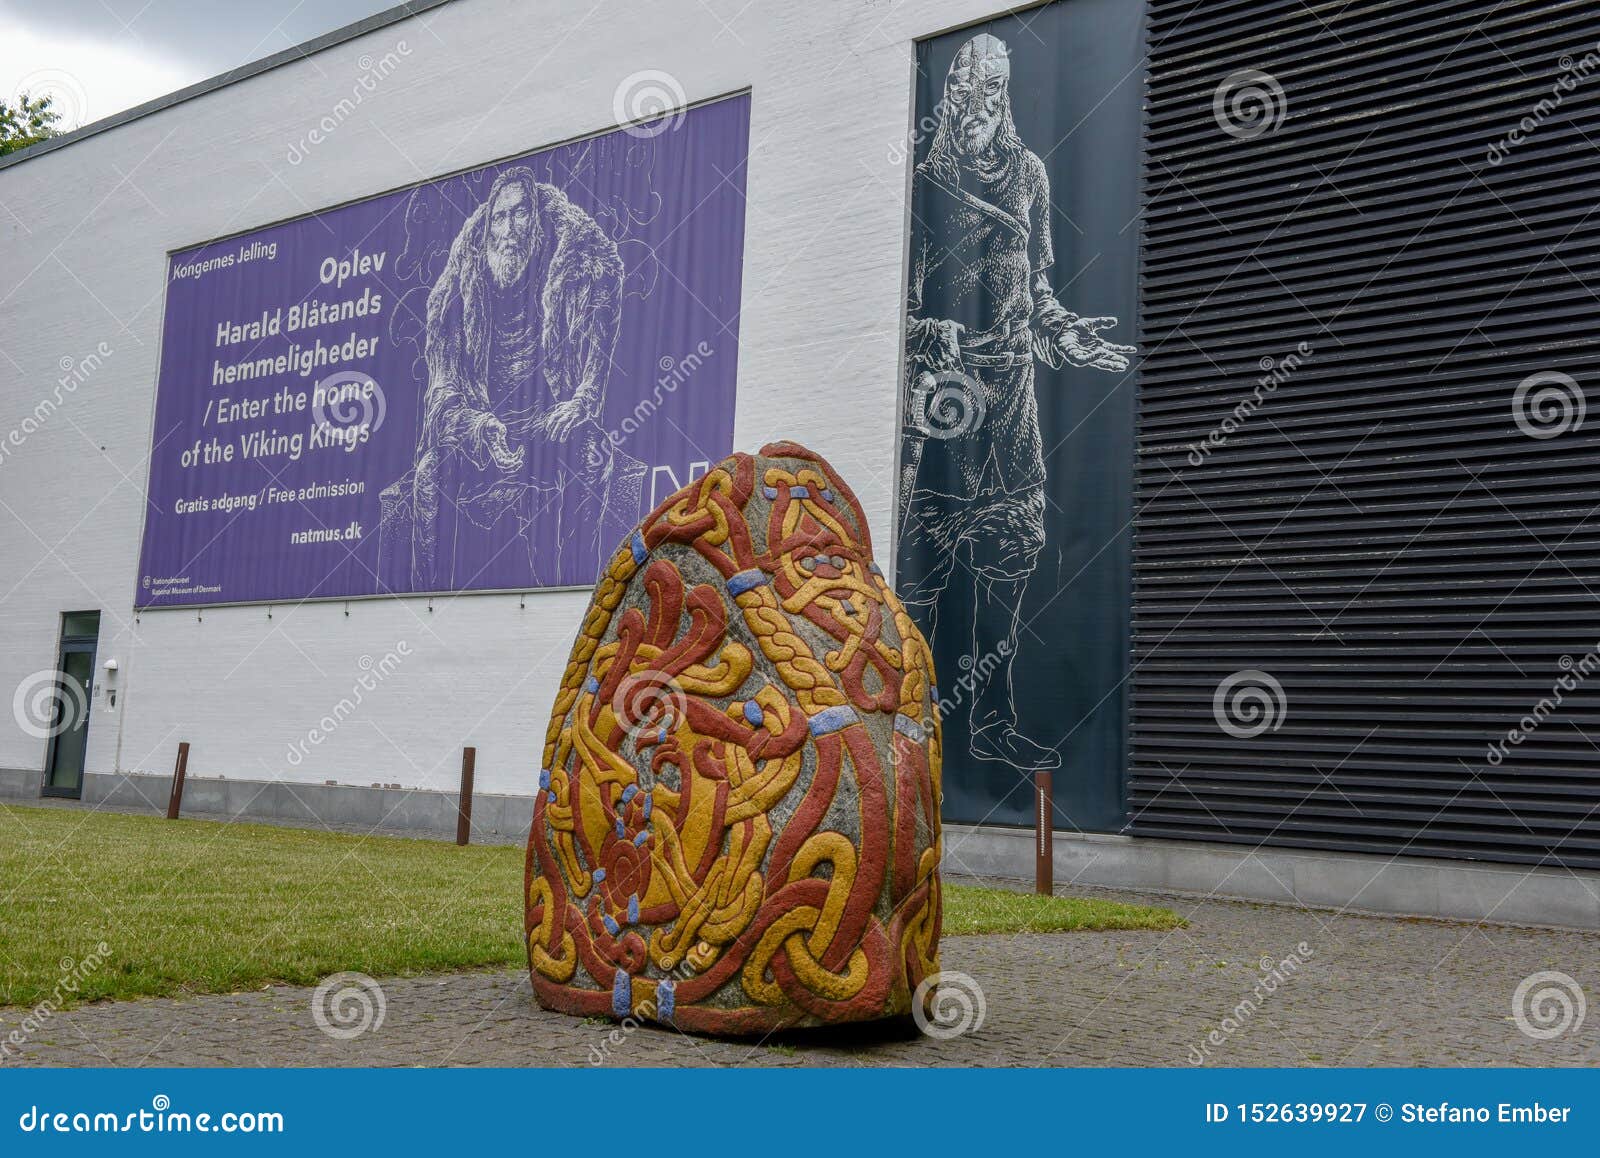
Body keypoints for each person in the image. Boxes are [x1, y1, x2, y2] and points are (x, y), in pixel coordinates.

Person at [898, 32, 1135, 769]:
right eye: (967, 89)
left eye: (994, 89)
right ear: (949, 94)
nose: (980, 102)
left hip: (1013, 401)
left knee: (1007, 557)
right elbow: (899, 312)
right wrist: (930, 333)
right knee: (928, 563)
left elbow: (1035, 292)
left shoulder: (1030, 172)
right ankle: (909, 723)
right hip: (946, 396)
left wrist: (1064, 334)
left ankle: (991, 723)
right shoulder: (925, 181)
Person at [407, 165, 630, 589]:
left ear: (537, 220)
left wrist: (581, 402)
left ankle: (577, 591)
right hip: (486, 432)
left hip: (549, 425)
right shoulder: (459, 288)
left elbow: (600, 340)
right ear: (488, 226)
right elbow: (442, 395)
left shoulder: (575, 263)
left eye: (520, 213)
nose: (509, 229)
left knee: (594, 457)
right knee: (429, 475)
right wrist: (478, 427)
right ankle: (427, 598)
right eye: (500, 217)